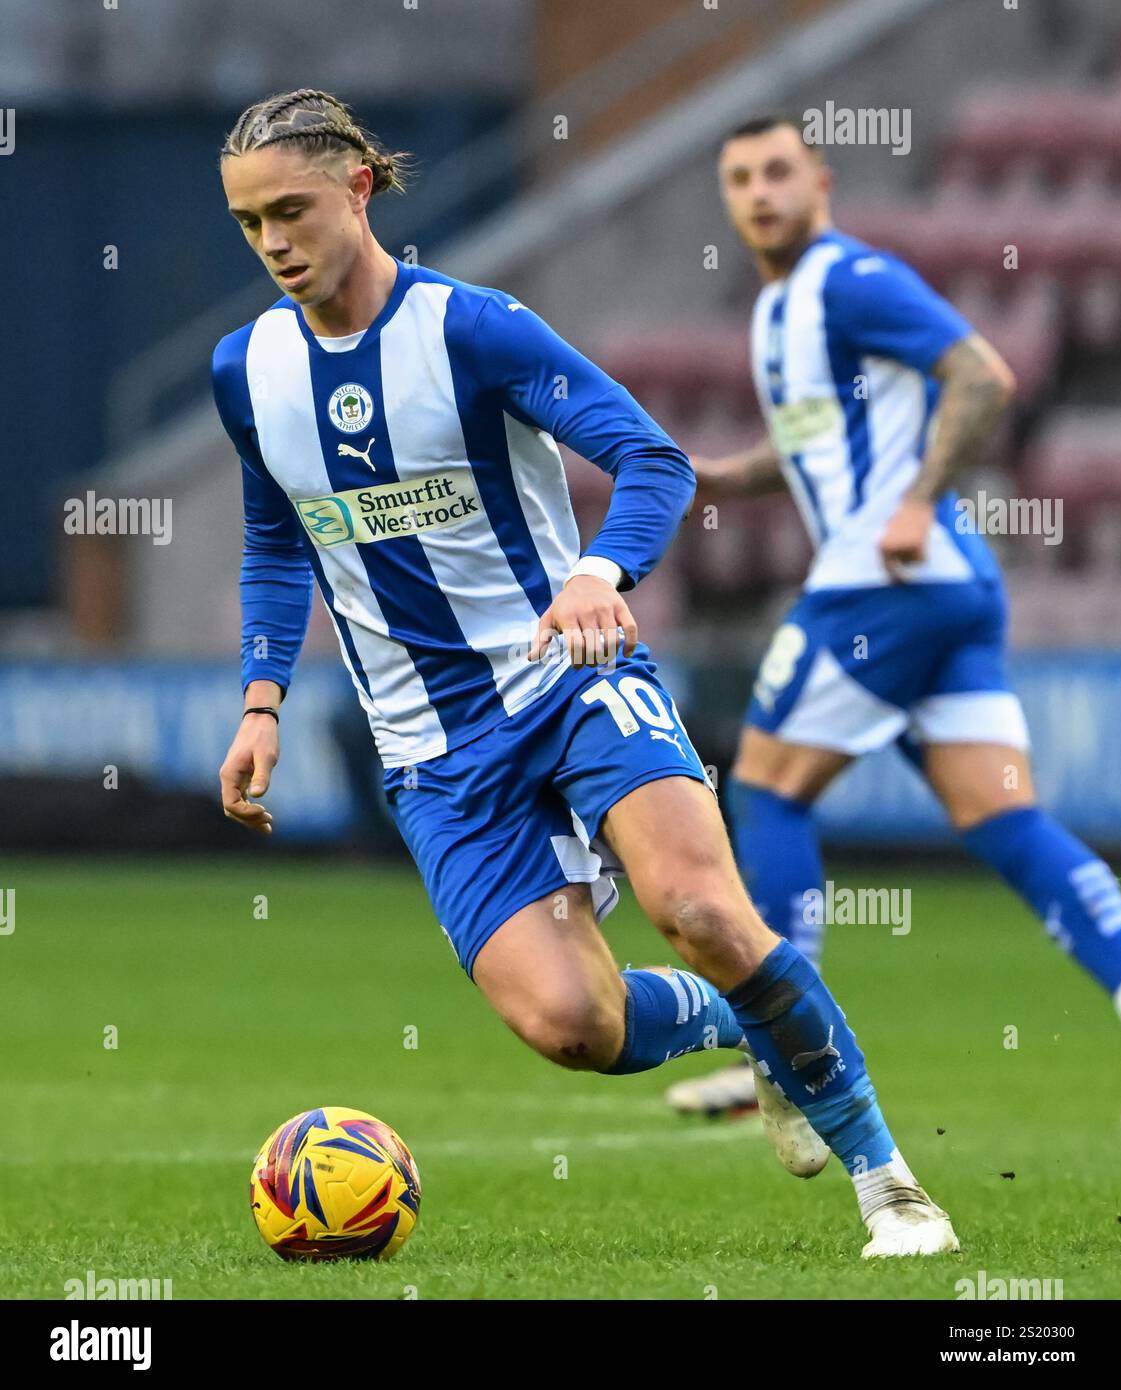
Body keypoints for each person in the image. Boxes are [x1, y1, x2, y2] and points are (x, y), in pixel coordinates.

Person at [212, 88, 958, 1256]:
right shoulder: (244, 370)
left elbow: (650, 458)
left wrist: (602, 571)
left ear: (359, 188)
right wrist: (262, 700)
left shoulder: (474, 330)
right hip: (431, 750)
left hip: (568, 675)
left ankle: (890, 1185)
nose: (273, 244)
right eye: (250, 223)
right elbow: (274, 537)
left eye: (292, 210)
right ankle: (750, 1020)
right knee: (574, 1025)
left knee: (704, 908)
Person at [669, 114, 1121, 1119]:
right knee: (1004, 819)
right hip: (949, 594)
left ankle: (785, 1054)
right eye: (739, 175)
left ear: (819, 180)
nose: (758, 191)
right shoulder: (778, 310)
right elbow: (803, 453)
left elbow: (981, 373)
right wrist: (705, 473)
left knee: (765, 786)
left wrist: (916, 499)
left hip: (885, 584)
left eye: (778, 171)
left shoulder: (847, 278)